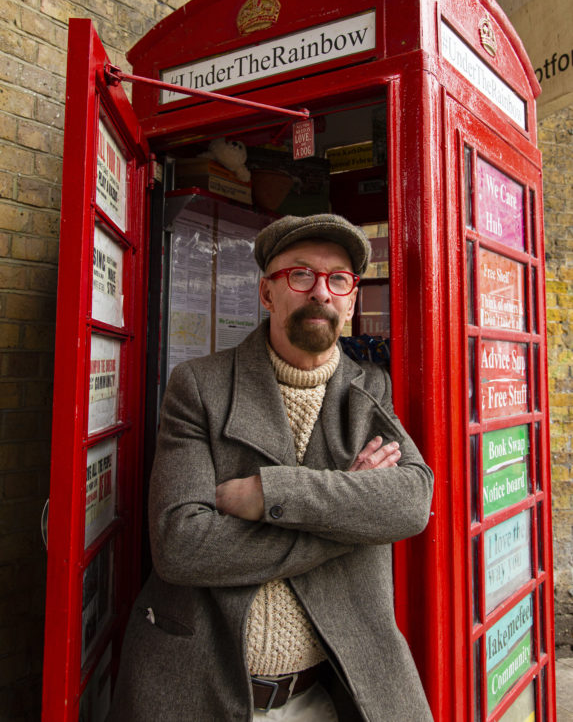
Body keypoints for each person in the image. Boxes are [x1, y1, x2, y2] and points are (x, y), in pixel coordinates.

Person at [109, 213, 434, 722]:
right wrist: (350, 512)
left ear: (351, 301)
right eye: (300, 274)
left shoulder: (370, 391)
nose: (320, 292)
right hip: (201, 689)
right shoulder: (199, 386)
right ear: (267, 293)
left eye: (338, 279)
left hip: (326, 694)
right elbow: (180, 545)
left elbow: (412, 501)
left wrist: (269, 494)